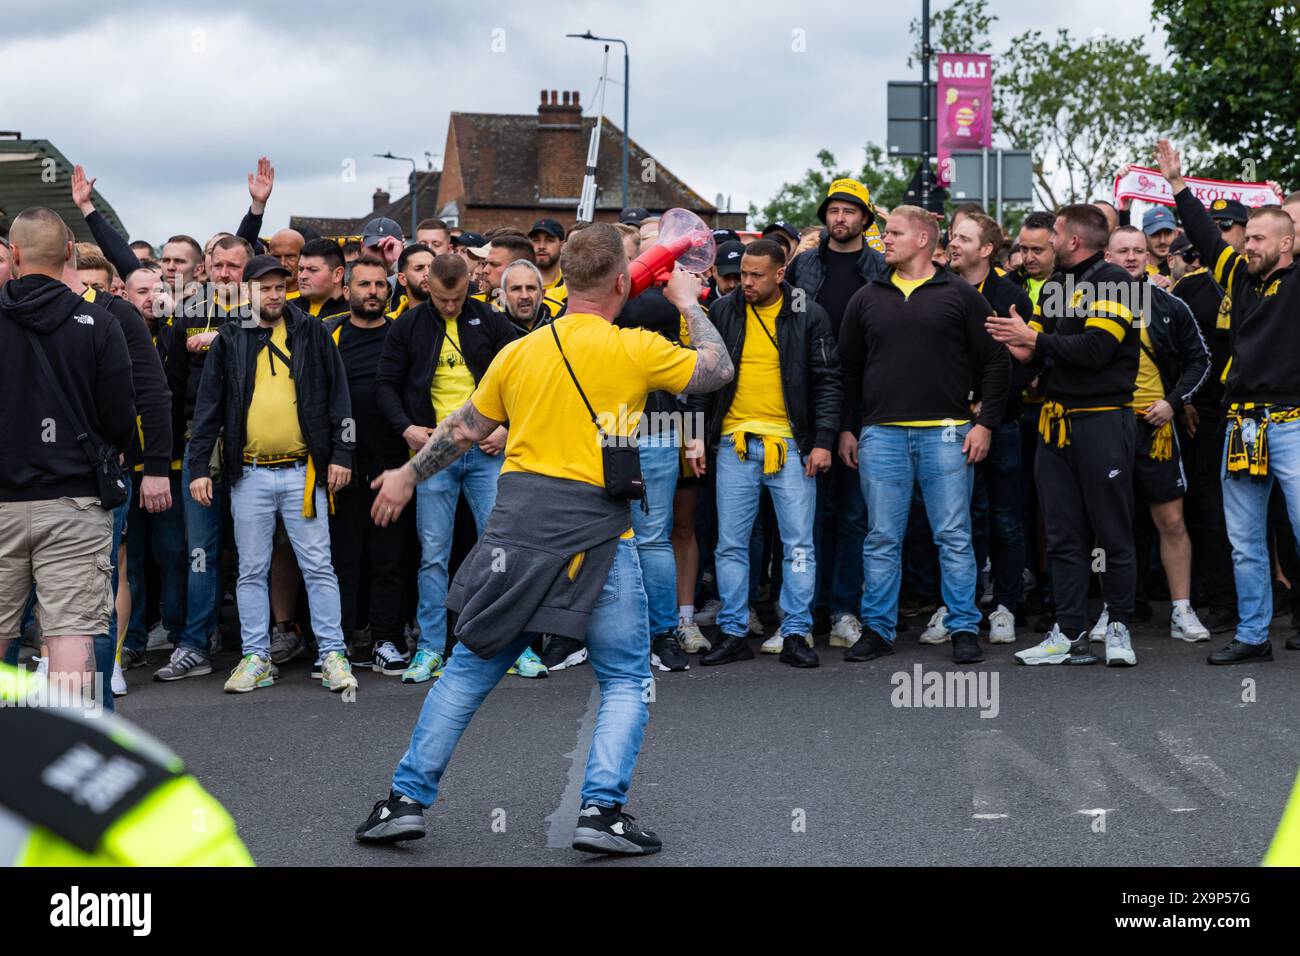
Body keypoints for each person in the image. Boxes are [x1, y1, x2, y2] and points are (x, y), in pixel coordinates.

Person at [354, 223, 734, 855]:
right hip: (594, 535)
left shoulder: (517, 351)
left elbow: (465, 429)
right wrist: (691, 303)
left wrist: (404, 474)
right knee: (624, 677)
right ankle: (601, 812)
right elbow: (715, 370)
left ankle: (404, 801)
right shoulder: (633, 347)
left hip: (515, 529)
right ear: (622, 281)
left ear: (566, 279)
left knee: (469, 668)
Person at [839, 206, 1009, 666]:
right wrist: (847, 430)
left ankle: (963, 627)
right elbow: (848, 370)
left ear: (922, 240)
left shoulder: (960, 294)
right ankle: (878, 628)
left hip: (948, 435)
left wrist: (986, 423)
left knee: (953, 535)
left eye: (893, 233)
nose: (884, 240)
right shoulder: (866, 297)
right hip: (881, 436)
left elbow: (996, 362)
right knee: (881, 538)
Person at [186, 254, 358, 693]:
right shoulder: (229, 338)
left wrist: (343, 454)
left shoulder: (312, 332)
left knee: (319, 566)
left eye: (281, 286)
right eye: (265, 287)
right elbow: (207, 410)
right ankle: (256, 656)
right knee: (251, 569)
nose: (275, 294)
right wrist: (199, 468)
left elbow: (340, 397)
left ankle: (333, 654)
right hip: (251, 475)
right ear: (247, 292)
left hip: (306, 472)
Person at [1157, 140, 1300, 663]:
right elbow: (1200, 231)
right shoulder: (1238, 275)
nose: (1248, 244)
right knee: (1244, 540)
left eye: (1260, 238)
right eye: (1249, 237)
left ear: (1288, 245)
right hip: (1243, 427)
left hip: (1293, 425)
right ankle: (1254, 634)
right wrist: (1177, 184)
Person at [987, 204, 1142, 667]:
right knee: (1062, 534)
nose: (1046, 241)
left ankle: (1117, 626)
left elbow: (1097, 349)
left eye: (1053, 233)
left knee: (1112, 531)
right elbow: (1042, 351)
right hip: (1056, 425)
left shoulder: (1115, 281)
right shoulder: (1057, 285)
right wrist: (1017, 345)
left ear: (1073, 240)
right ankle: (1069, 631)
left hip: (1102, 422)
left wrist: (1034, 342)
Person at [0, 206, 136, 706]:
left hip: (1, 504)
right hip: (77, 502)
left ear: (13, 254)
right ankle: (68, 762)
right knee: (71, 636)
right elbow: (120, 420)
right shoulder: (99, 323)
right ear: (68, 255)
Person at [374, 253, 526, 682]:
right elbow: (385, 384)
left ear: (470, 287)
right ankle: (429, 648)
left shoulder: (492, 320)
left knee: (502, 550)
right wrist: (406, 429)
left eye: (457, 298)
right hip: (434, 453)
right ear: (427, 287)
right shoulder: (408, 325)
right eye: (441, 299)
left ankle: (513, 645)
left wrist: (506, 427)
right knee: (433, 555)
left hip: (488, 452)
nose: (449, 306)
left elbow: (520, 380)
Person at [692, 239, 840, 668]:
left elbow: (829, 380)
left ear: (781, 273)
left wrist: (824, 441)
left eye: (757, 275)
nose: (746, 283)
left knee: (798, 546)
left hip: (792, 445)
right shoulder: (724, 311)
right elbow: (705, 376)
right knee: (730, 546)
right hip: (734, 444)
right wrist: (698, 435)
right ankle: (733, 631)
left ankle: (796, 632)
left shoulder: (809, 313)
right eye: (742, 275)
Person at [1096, 225, 1211, 643]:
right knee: (1109, 525)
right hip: (1105, 425)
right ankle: (1113, 611)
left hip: (1155, 425)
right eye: (1122, 251)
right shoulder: (1081, 301)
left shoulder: (1169, 304)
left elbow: (1201, 360)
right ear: (1107, 257)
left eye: (1138, 251)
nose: (1131, 257)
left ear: (1150, 257)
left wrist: (1174, 402)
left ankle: (1181, 609)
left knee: (1172, 521)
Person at [788, 178, 888, 649]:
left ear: (866, 219)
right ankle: (804, 612)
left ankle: (845, 609)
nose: (840, 218)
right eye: (834, 210)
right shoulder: (803, 265)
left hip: (864, 403)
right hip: (806, 404)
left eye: (850, 211)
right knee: (805, 517)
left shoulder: (880, 267)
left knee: (853, 515)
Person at [153, 234, 252, 682]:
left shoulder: (266, 313)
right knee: (201, 551)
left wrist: (225, 335)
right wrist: (169, 457)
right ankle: (195, 644)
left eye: (236, 267)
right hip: (199, 445)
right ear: (208, 267)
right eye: (220, 266)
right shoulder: (184, 313)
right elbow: (168, 390)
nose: (227, 274)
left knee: (256, 552)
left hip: (255, 446)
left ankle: (261, 644)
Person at [947, 211, 1034, 645]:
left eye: (963, 238)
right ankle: (959, 605)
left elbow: (1025, 363)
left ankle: (1005, 605)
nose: (953, 243)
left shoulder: (1011, 295)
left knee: (1005, 518)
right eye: (951, 236)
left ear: (986, 249)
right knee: (960, 519)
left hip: (1002, 426)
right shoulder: (939, 288)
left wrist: (989, 406)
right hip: (949, 425)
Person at [325, 256, 411, 675]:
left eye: (380, 284)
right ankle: (340, 640)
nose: (373, 291)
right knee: (343, 557)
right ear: (347, 290)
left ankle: (387, 639)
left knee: (388, 557)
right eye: (364, 284)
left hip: (391, 463)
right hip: (341, 462)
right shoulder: (330, 334)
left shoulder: (400, 334)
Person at [1172, 234, 1239, 635]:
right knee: (1206, 510)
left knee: (1269, 517)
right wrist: (1184, 399)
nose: (1221, 236)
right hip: (1203, 414)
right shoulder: (1188, 288)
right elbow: (1177, 350)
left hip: (1255, 412)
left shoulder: (1253, 281)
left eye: (1230, 228)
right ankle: (1218, 599)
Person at [293, 237, 348, 319]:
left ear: (337, 274)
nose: (302, 276)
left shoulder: (355, 314)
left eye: (312, 270)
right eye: (301, 269)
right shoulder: (287, 311)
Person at [528, 218, 567, 308]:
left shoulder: (571, 286)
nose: (541, 246)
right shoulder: (518, 283)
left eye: (549, 240)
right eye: (536, 240)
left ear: (562, 245)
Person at [390, 242, 434, 318]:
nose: (427, 273)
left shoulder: (456, 319)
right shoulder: (391, 323)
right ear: (402, 279)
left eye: (432, 268)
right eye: (419, 268)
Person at [1142, 205, 1178, 278]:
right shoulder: (1136, 270)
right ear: (1143, 235)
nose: (1162, 241)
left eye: (1167, 233)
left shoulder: (1185, 269)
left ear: (1176, 234)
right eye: (1155, 234)